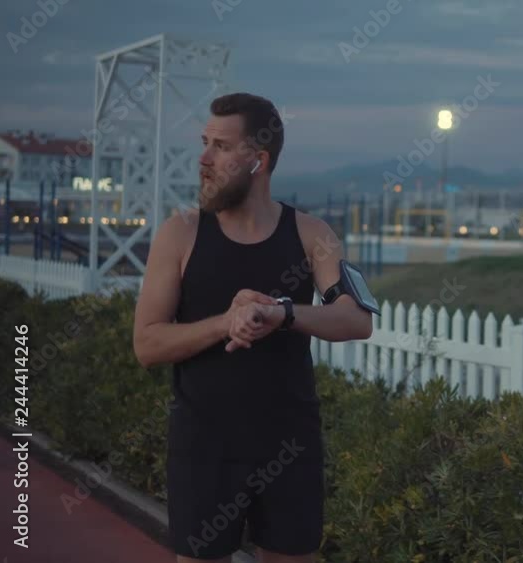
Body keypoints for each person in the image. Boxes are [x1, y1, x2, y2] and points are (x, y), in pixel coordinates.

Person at [132, 92, 373, 563]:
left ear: (258, 160)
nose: (202, 159)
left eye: (220, 147)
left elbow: (356, 318)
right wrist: (227, 322)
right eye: (204, 143)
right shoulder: (180, 234)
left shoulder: (311, 234)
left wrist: (280, 312)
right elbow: (147, 343)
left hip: (289, 448)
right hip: (204, 450)